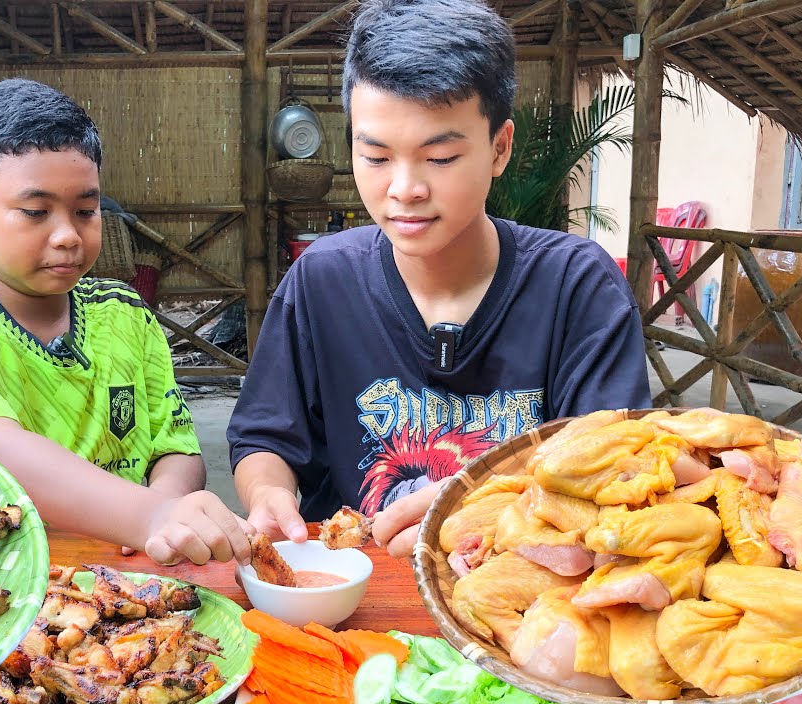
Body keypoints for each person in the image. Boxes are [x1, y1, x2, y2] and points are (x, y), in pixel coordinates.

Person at [228, 0, 650, 559]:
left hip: (519, 594)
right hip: (356, 594)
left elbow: (613, 462)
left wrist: (476, 506)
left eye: (442, 157)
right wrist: (268, 496)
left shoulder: (576, 286)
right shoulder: (320, 281)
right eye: (375, 157)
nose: (405, 189)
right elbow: (264, 438)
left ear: (499, 148)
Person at [0, 78, 250, 567]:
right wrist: (144, 514)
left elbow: (176, 445)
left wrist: (169, 506)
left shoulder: (125, 313)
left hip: (133, 571)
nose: (67, 236)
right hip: (1, 582)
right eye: (35, 212)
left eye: (86, 210)